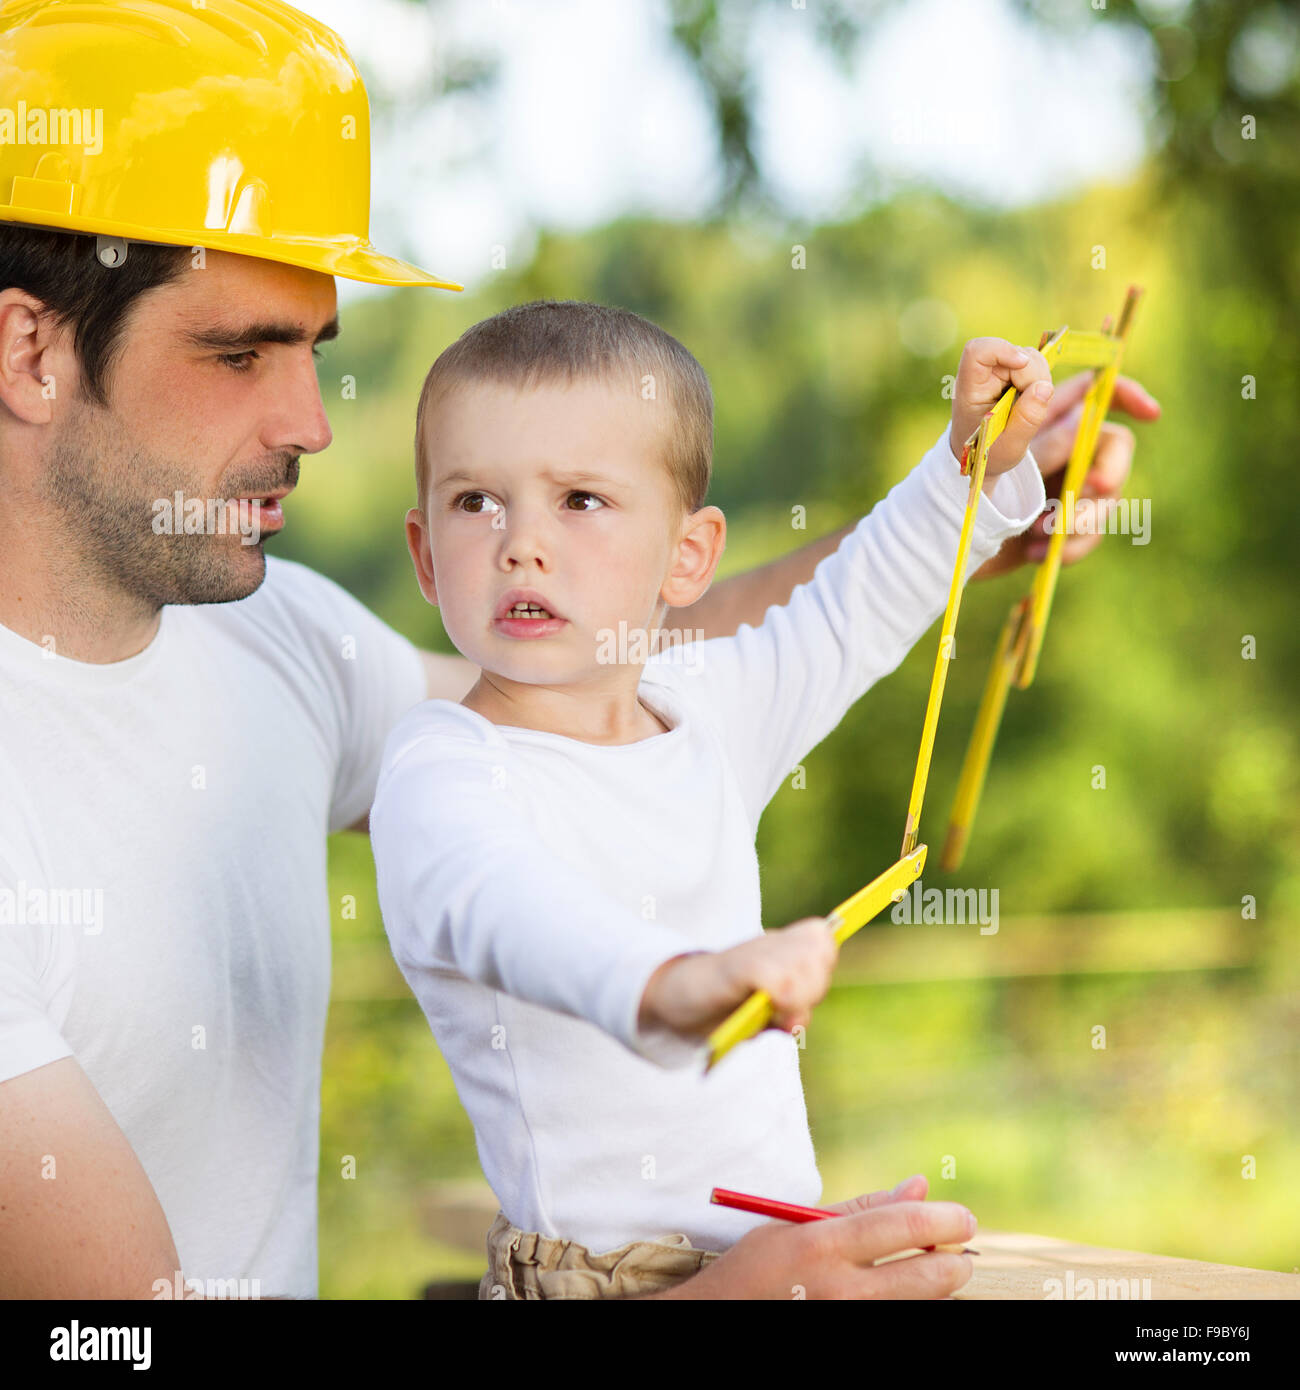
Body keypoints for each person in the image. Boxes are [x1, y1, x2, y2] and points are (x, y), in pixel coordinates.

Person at [0, 0, 1157, 1299]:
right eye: (238, 352)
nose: (312, 422)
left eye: (315, 351)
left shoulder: (284, 640)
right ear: (32, 349)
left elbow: (598, 686)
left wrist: (969, 509)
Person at [368, 300, 1057, 1299]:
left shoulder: (707, 710)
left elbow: (851, 608)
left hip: (761, 1251)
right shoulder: (440, 768)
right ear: (426, 553)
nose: (520, 543)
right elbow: (511, 914)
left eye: (579, 500)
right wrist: (683, 982)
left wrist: (971, 465)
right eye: (475, 501)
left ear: (687, 556)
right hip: (594, 1282)